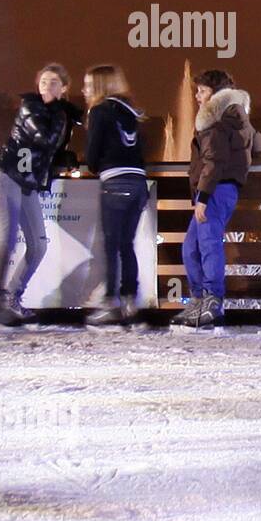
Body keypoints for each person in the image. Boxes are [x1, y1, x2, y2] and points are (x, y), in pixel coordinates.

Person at [0, 63, 83, 325]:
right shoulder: (32, 107)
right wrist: (64, 116)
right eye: (43, 82)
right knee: (8, 237)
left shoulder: (59, 114)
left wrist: (67, 158)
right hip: (6, 176)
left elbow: (51, 151)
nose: (46, 86)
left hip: (28, 184)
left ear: (64, 88)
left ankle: (14, 296)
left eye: (53, 82)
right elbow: (44, 138)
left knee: (38, 245)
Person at [172, 69, 259, 329]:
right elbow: (259, 145)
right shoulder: (236, 116)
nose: (197, 96)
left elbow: (214, 161)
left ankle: (211, 300)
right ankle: (201, 298)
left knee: (207, 244)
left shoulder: (216, 119)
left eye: (201, 90)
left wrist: (203, 196)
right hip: (219, 188)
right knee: (191, 247)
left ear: (215, 92)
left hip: (215, 189)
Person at [82, 66, 149, 326]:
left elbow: (92, 156)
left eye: (88, 85)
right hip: (138, 183)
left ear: (100, 86)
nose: (84, 90)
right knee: (126, 244)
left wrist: (93, 165)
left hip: (115, 182)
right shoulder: (130, 112)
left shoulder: (100, 111)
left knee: (111, 245)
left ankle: (111, 302)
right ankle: (130, 300)